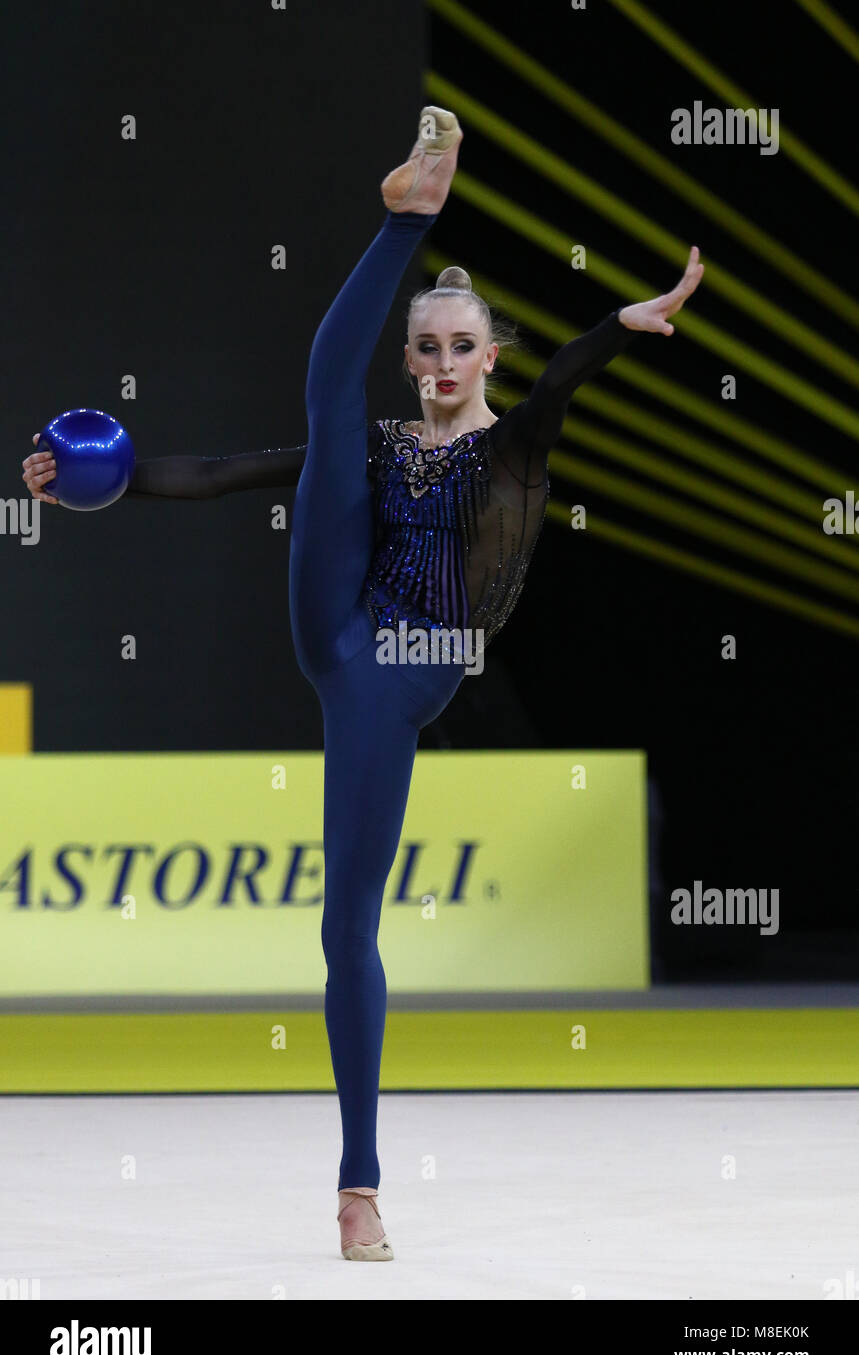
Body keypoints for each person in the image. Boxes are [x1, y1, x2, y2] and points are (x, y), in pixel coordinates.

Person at [22, 105, 704, 1260]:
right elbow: (227, 472)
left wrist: (618, 325)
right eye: (423, 347)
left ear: (489, 358)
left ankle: (358, 1186)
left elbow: (562, 385)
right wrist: (107, 481)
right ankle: (403, 220)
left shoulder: (510, 449)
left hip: (404, 670)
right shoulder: (383, 445)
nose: (438, 365)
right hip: (338, 622)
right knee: (329, 425)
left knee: (347, 927)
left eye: (458, 347)